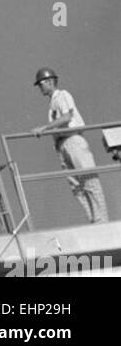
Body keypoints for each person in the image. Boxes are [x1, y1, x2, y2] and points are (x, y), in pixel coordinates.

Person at [31, 67, 108, 226]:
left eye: (41, 83)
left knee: (89, 181)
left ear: (51, 82)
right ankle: (94, 221)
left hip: (73, 140)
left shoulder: (62, 95)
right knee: (77, 187)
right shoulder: (52, 102)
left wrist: (44, 128)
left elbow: (67, 117)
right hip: (63, 145)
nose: (40, 87)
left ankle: (102, 222)